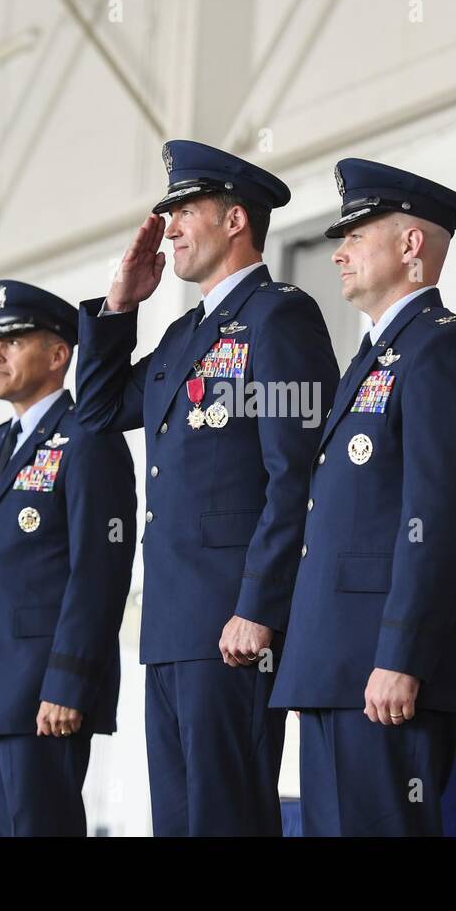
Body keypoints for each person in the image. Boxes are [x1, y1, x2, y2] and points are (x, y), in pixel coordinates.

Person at [75, 140, 338, 835]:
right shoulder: (185, 335)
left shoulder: (279, 317)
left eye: (186, 210)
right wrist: (120, 304)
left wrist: (259, 605)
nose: (171, 227)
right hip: (170, 625)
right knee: (181, 822)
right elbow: (99, 411)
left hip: (233, 622)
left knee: (227, 818)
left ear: (235, 221)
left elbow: (297, 475)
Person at [270, 158, 456, 835]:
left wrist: (400, 656)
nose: (338, 252)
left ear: (411, 247)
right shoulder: (375, 357)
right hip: (337, 664)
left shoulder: (441, 350)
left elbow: (438, 516)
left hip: (383, 669)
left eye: (357, 235)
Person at [0, 280, 136, 836]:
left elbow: (99, 572)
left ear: (58, 356)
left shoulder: (88, 437)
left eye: (14, 340)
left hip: (44, 687)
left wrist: (68, 685)